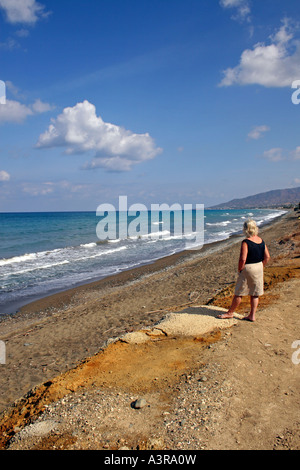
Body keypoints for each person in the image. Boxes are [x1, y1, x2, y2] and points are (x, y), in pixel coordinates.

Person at [218, 219, 270, 322]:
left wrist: (240, 269)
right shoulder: (261, 240)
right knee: (255, 293)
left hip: (249, 267)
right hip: (259, 266)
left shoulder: (246, 242)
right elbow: (267, 257)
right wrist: (261, 266)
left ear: (246, 229)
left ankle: (230, 313)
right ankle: (252, 315)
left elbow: (242, 259)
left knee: (239, 292)